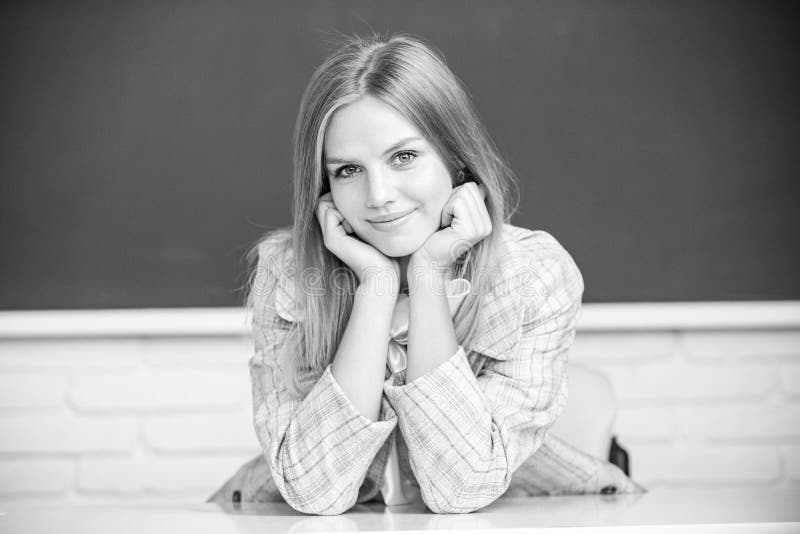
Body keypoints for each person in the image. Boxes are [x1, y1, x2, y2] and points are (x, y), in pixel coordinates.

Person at [208, 33, 643, 515]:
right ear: (324, 186)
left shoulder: (533, 274)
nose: (378, 195)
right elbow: (315, 493)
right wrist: (375, 287)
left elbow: (460, 489)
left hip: (534, 513)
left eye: (404, 157)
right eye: (348, 170)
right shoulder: (288, 272)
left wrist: (429, 276)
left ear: (456, 158)